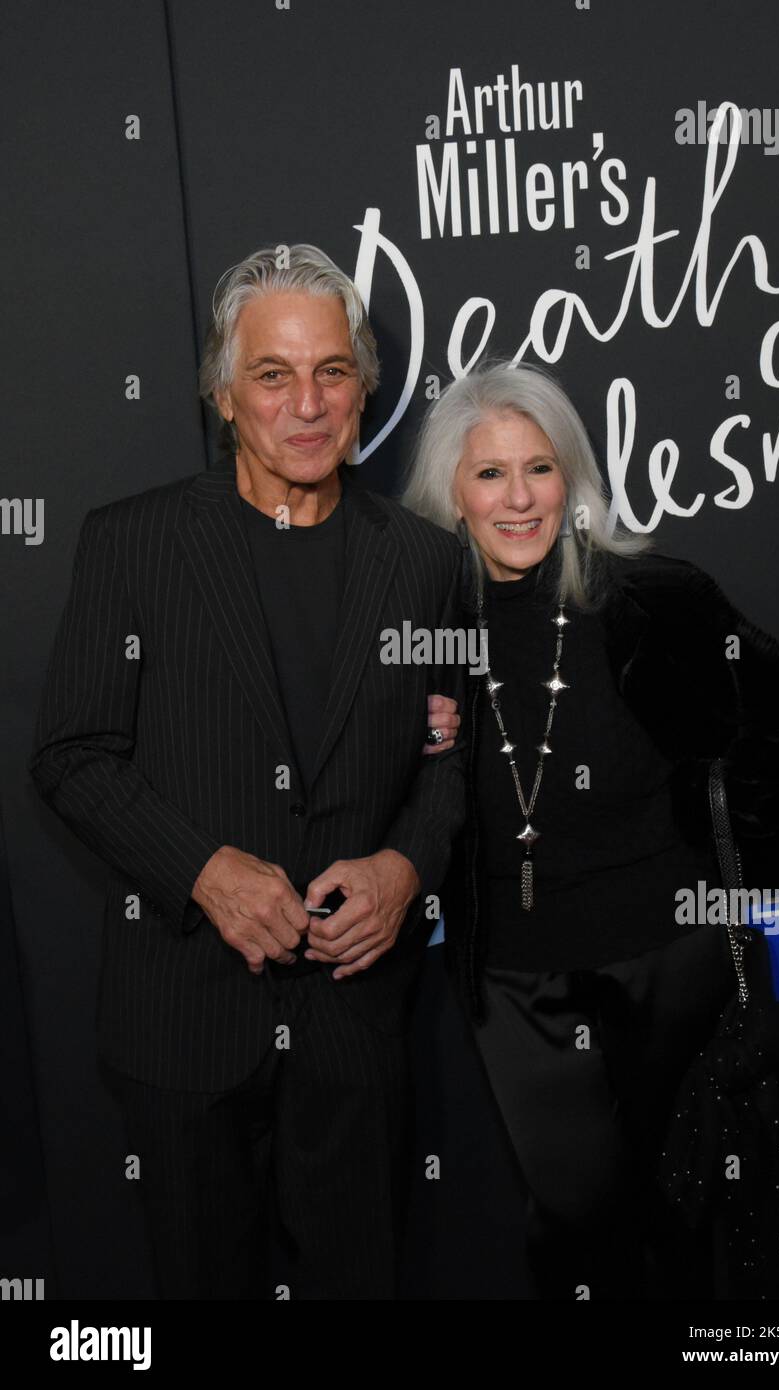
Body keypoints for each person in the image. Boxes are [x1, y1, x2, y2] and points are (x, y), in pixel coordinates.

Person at [28, 244, 467, 1300]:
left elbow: (450, 758)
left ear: (365, 389)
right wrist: (203, 871)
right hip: (184, 1023)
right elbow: (71, 754)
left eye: (332, 372)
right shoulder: (132, 545)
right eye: (274, 374)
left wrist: (405, 870)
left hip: (354, 1026)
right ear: (226, 396)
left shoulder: (423, 561)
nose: (306, 404)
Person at [403, 360, 779, 1300]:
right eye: (489, 474)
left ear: (573, 478)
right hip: (515, 978)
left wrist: (725, 814)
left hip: (672, 952)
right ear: (450, 490)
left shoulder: (650, 597)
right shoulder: (419, 629)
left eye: (540, 468)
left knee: (687, 1213)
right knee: (574, 1218)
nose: (518, 499)